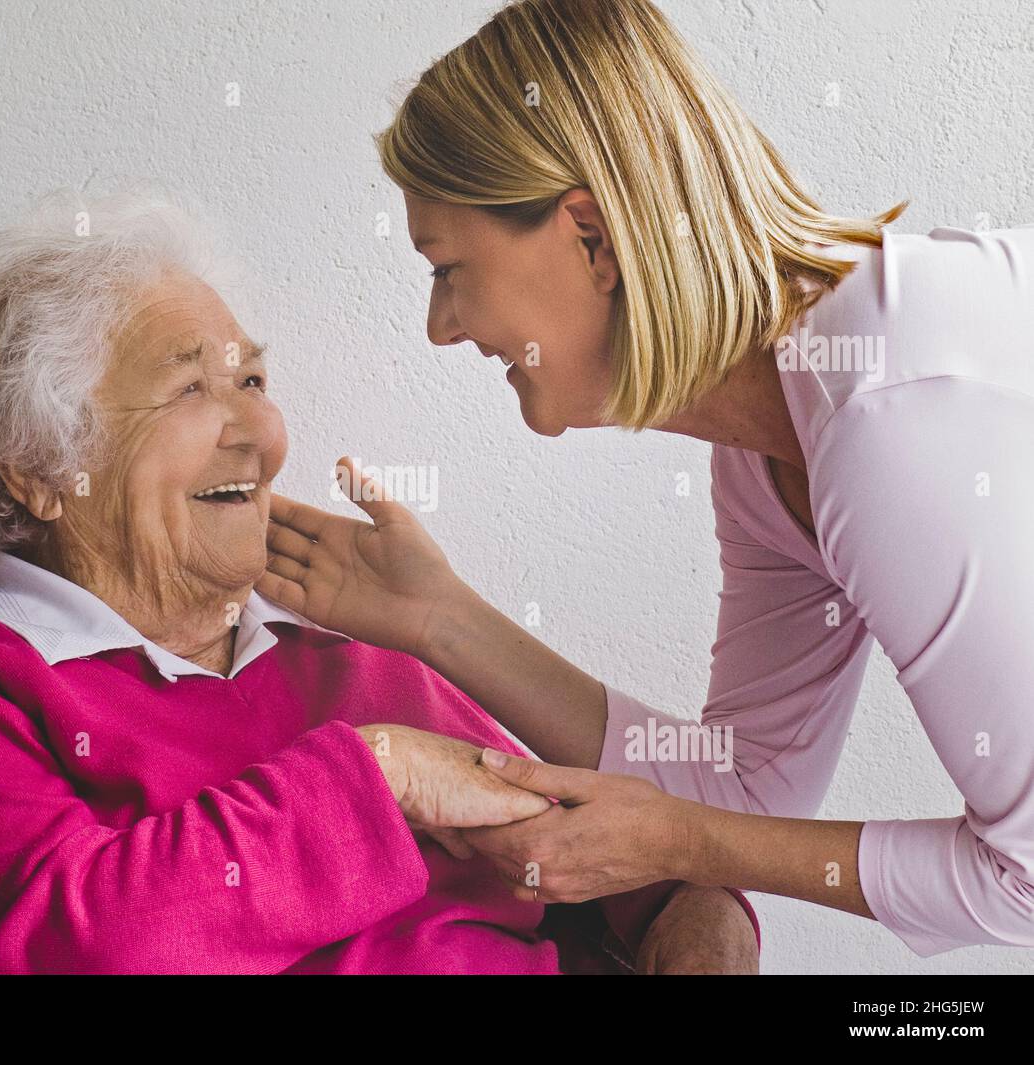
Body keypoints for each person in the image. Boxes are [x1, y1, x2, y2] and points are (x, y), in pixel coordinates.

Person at [0, 190, 760, 974]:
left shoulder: (353, 657)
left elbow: (663, 875)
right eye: (191, 389)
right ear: (38, 468)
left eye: (253, 384)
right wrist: (377, 776)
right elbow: (87, 952)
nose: (262, 437)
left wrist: (696, 935)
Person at [261, 0, 1034, 958]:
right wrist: (440, 617)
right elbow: (750, 782)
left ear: (591, 236)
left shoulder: (890, 418)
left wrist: (668, 840)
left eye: (448, 268)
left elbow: (1027, 878)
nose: (441, 326)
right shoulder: (767, 461)